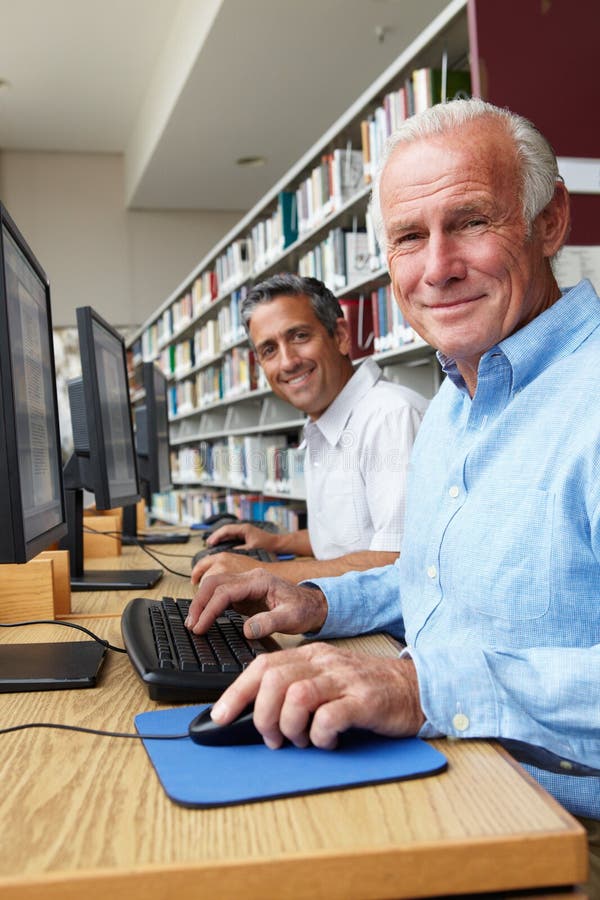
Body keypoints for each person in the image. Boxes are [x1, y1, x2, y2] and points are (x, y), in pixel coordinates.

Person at [185, 98, 600, 892]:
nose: (435, 267)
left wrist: (419, 685)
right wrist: (318, 602)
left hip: (564, 835)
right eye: (409, 237)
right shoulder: (455, 399)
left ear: (549, 224)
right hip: (457, 774)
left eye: (471, 222)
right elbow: (448, 578)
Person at [191, 273, 428, 584]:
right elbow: (347, 541)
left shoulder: (390, 417)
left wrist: (258, 573)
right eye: (269, 350)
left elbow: (396, 562)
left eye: (299, 336)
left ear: (341, 335)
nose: (287, 362)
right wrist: (276, 543)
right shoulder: (322, 423)